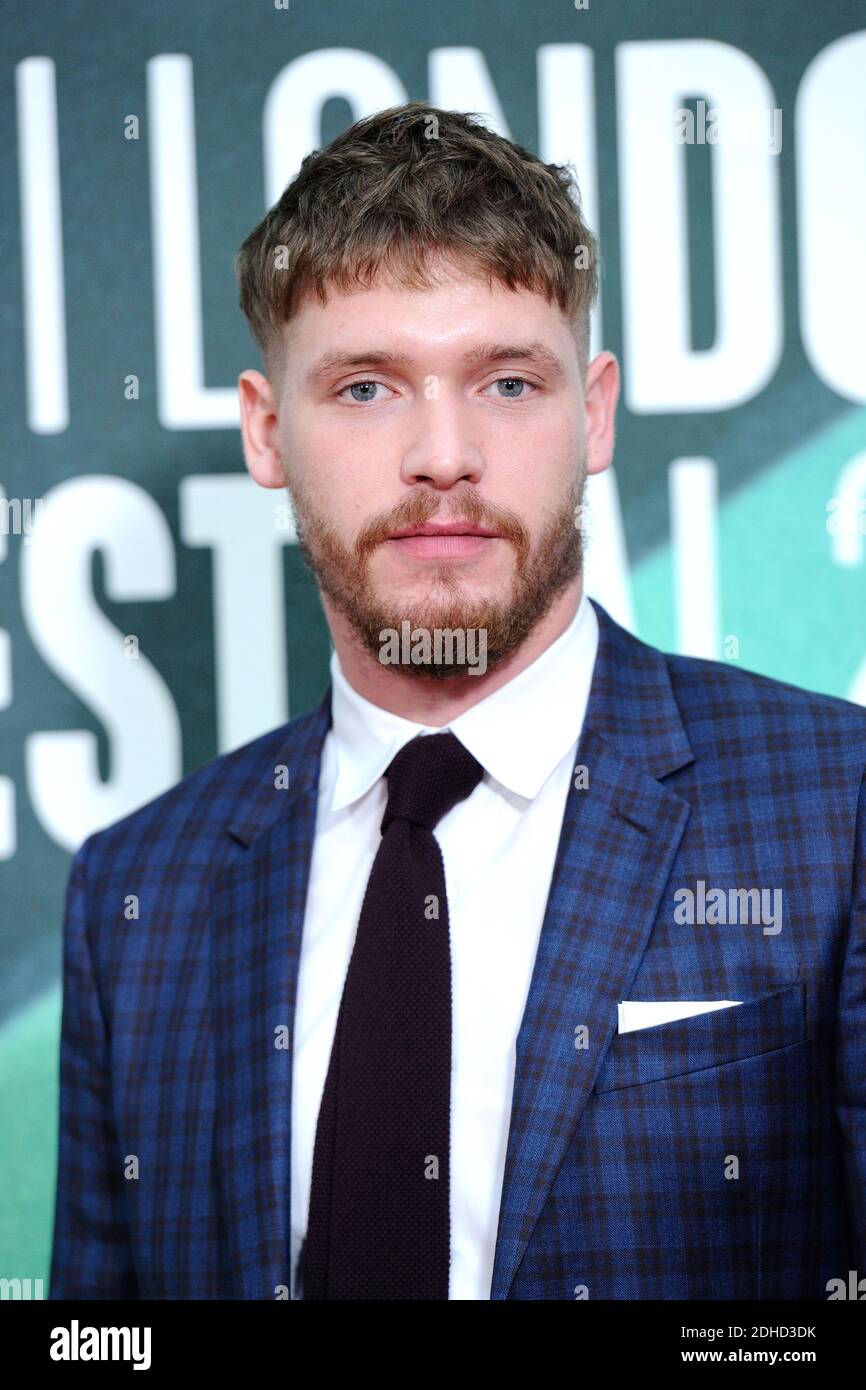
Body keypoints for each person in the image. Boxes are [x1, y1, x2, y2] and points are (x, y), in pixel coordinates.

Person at [50, 101, 865, 1301]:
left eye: (505, 382)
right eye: (368, 387)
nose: (443, 453)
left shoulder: (835, 808)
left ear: (590, 413)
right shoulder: (137, 894)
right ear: (268, 430)